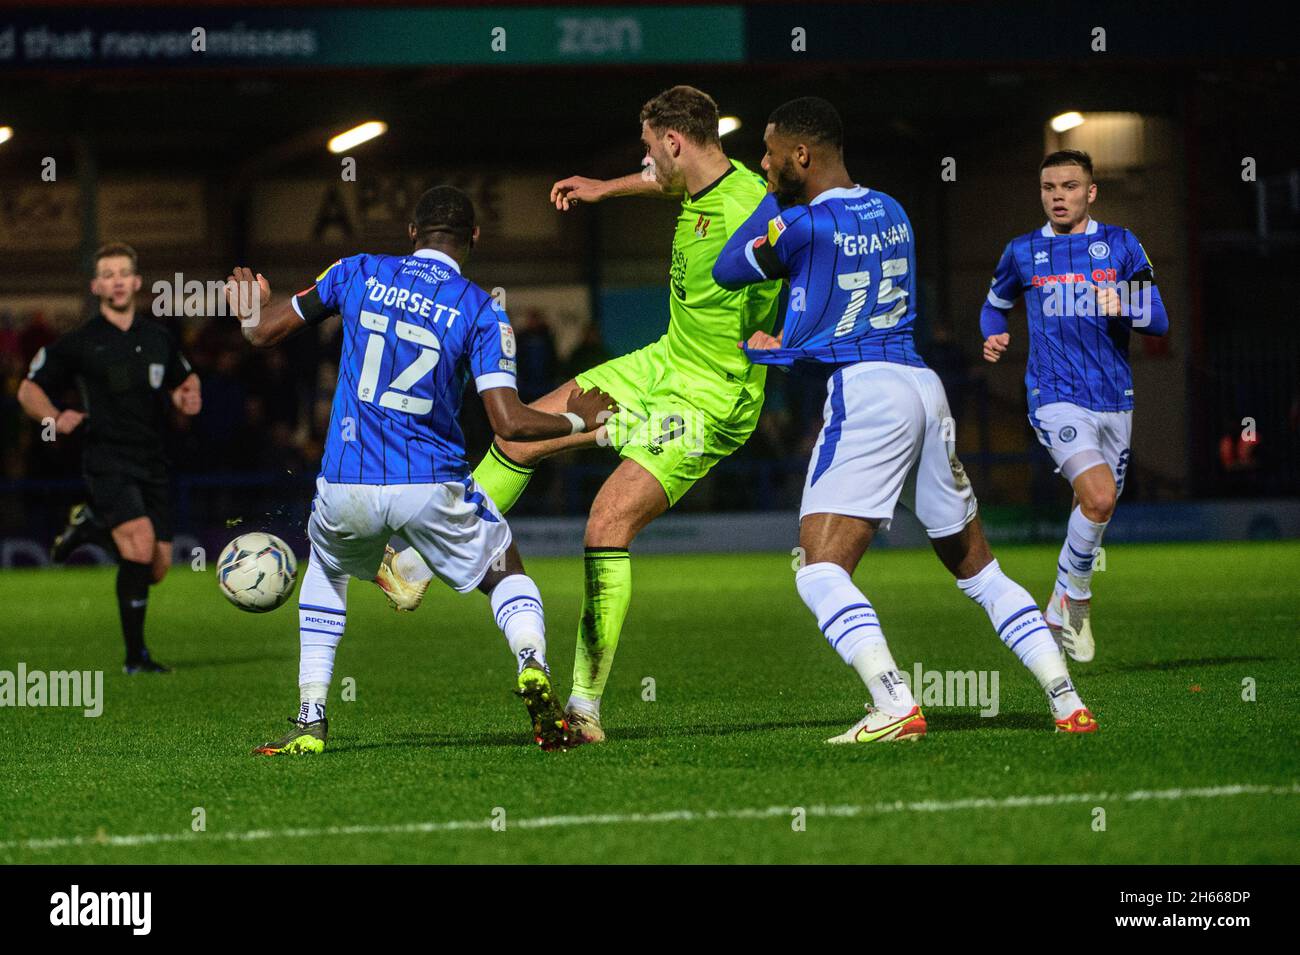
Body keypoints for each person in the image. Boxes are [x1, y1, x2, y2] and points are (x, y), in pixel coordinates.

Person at [375, 86, 782, 746]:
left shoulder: (756, 208)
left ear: (675, 142)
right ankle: (416, 569)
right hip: (661, 361)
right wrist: (603, 187)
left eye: (649, 148)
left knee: (606, 520)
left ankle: (584, 706)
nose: (645, 159)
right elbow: (664, 183)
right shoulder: (700, 176)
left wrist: (785, 332)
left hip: (713, 398)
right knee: (519, 427)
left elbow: (813, 258)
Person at [714, 97, 1097, 739]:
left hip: (867, 394)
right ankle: (1066, 701)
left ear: (800, 158)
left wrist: (771, 201)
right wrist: (793, 343)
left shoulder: (803, 224)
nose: (764, 163)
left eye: (772, 155)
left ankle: (894, 703)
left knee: (819, 571)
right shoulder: (891, 209)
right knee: (980, 570)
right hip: (923, 387)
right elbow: (850, 304)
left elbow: (731, 267)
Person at [222, 186, 613, 755]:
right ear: (473, 239)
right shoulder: (481, 308)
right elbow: (509, 424)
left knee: (327, 571)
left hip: (345, 482)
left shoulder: (356, 271)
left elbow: (261, 333)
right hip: (429, 483)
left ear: (412, 232)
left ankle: (310, 717)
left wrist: (249, 312)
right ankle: (531, 663)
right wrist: (580, 423)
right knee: (503, 568)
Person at [980, 149, 1169, 661]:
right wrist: (994, 335)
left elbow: (1159, 319)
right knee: (1101, 497)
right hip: (1054, 395)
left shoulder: (1122, 245)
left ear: (1090, 192)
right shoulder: (1022, 252)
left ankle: (1055, 607)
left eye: (1068, 187)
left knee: (1091, 506)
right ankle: (1078, 600)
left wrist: (1125, 304)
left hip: (1114, 398)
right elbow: (994, 306)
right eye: (1048, 188)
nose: (1057, 196)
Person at [17, 242, 201, 673]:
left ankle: (91, 525)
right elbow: (29, 389)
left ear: (136, 282)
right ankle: (135, 658)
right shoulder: (82, 342)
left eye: (124, 273)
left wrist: (187, 396)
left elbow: (184, 380)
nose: (117, 280)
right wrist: (54, 416)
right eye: (108, 273)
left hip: (153, 461)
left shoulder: (157, 338)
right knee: (137, 546)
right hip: (107, 458)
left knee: (154, 568)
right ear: (97, 285)